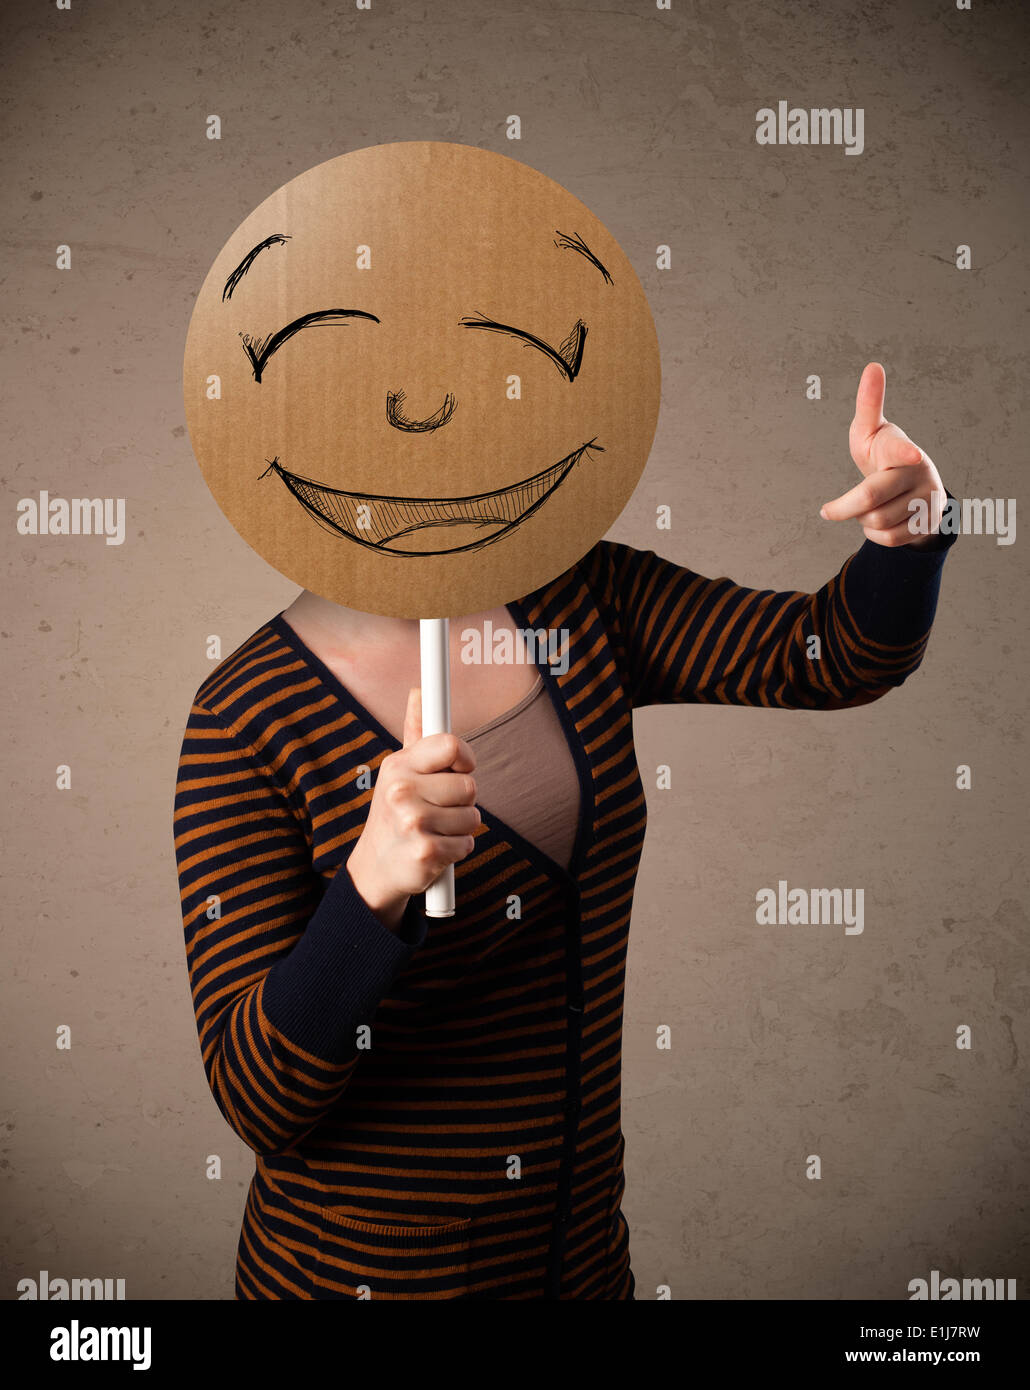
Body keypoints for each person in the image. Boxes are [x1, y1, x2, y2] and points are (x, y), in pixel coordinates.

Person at [173, 364, 958, 1300]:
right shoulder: (243, 717)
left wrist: (906, 538)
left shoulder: (575, 597)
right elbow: (260, 1100)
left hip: (577, 1257)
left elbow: (827, 657)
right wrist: (371, 890)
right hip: (364, 1278)